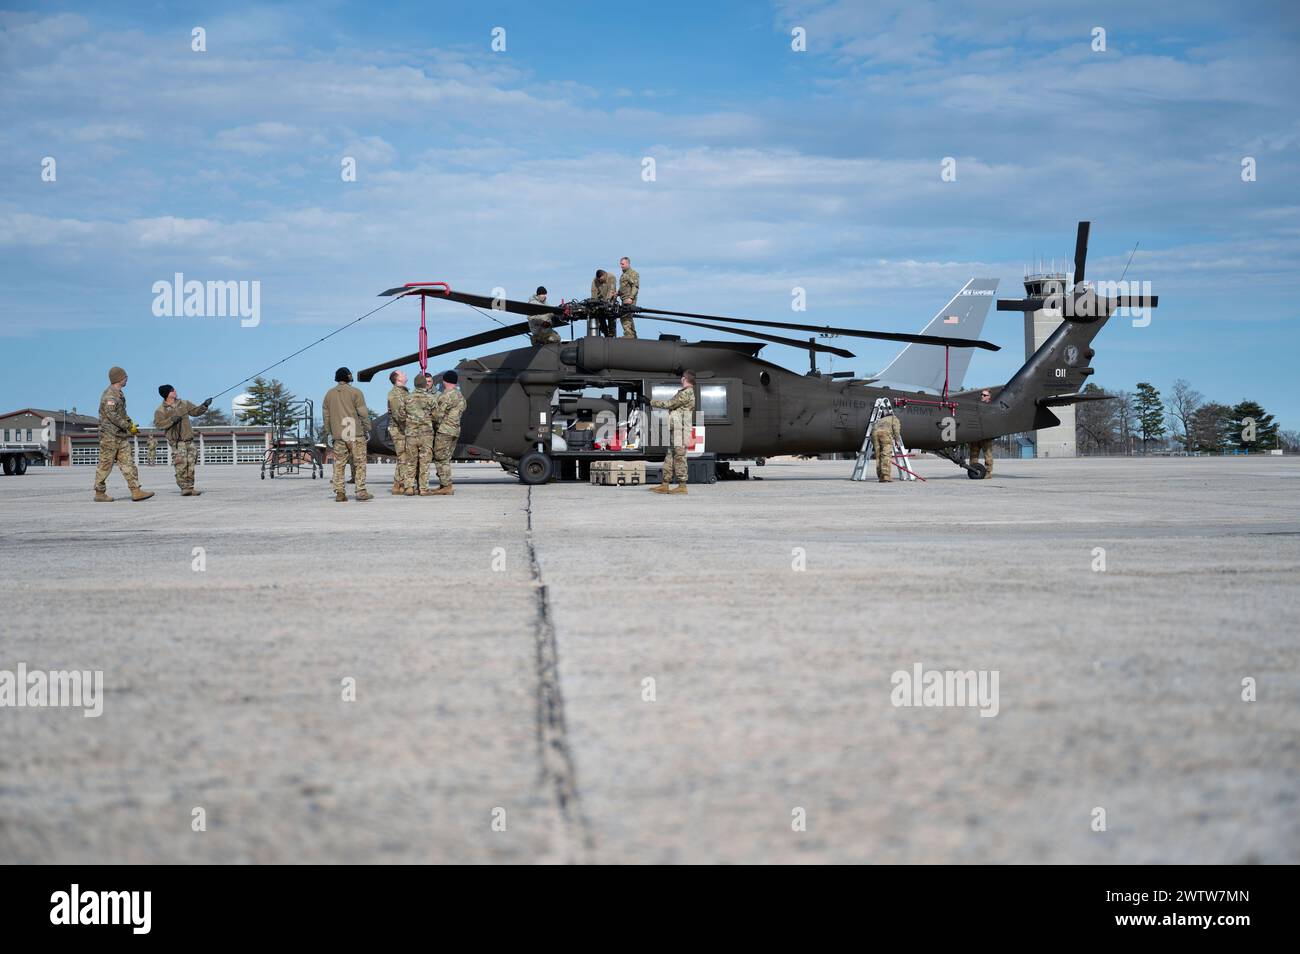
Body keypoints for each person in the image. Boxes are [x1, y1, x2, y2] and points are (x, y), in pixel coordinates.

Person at [93, 366, 153, 502]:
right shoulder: (109, 395)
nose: (127, 379)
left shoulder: (119, 394)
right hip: (109, 437)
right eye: (125, 377)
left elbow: (122, 414)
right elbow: (112, 416)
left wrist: (130, 424)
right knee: (105, 465)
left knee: (128, 464)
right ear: (119, 379)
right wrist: (127, 426)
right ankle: (99, 493)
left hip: (120, 436)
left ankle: (136, 491)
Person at [323, 367, 372, 502]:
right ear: (349, 377)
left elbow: (326, 416)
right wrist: (367, 428)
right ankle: (360, 491)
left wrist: (329, 432)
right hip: (354, 433)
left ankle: (339, 492)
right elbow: (363, 413)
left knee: (339, 464)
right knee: (359, 462)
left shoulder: (329, 394)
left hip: (338, 435)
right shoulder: (356, 392)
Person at [153, 385, 211, 496]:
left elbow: (195, 412)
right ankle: (184, 487)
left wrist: (204, 405)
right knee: (181, 465)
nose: (175, 391)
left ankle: (190, 487)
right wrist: (171, 420)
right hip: (177, 442)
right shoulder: (160, 410)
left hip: (189, 440)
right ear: (167, 394)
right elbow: (159, 425)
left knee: (191, 464)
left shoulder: (184, 404)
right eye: (172, 390)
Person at [649, 369, 696, 495]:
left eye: (682, 377)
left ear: (684, 379)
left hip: (680, 429)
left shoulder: (686, 393)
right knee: (670, 456)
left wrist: (651, 402)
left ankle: (682, 485)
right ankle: (665, 484)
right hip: (676, 428)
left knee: (679, 456)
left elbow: (670, 403)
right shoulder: (685, 392)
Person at [430, 369, 466, 495]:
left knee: (440, 458)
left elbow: (437, 415)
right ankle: (444, 485)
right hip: (455, 430)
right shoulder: (460, 396)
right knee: (446, 458)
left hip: (444, 430)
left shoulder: (445, 396)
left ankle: (446, 486)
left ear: (445, 381)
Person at [405, 372, 437, 495]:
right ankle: (423, 488)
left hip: (411, 434)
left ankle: (409, 487)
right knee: (425, 462)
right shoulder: (430, 398)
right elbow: (436, 416)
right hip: (426, 434)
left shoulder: (407, 398)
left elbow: (401, 414)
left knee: (411, 461)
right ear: (424, 384)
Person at [387, 370, 411, 495]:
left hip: (405, 429)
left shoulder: (404, 392)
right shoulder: (394, 394)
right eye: (402, 373)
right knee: (403, 457)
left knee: (403, 457)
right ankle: (404, 485)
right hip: (399, 430)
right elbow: (398, 416)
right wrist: (412, 425)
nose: (405, 374)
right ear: (397, 378)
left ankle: (397, 485)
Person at [872, 406, 902, 483]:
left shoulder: (880, 420)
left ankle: (880, 476)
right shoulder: (894, 418)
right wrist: (897, 441)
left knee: (878, 456)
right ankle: (885, 476)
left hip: (874, 434)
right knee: (886, 455)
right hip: (885, 434)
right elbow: (896, 430)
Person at [617, 257, 639, 338]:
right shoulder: (624, 275)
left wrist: (631, 298)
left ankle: (628, 335)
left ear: (628, 263)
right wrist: (617, 293)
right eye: (620, 264)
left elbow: (635, 286)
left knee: (625, 317)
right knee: (628, 316)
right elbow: (624, 287)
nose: (621, 265)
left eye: (623, 264)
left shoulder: (632, 273)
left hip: (629, 299)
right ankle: (632, 335)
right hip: (624, 299)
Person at [591, 268, 617, 337]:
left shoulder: (611, 277)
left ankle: (611, 333)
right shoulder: (595, 280)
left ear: (605, 275)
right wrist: (594, 302)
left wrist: (608, 300)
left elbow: (611, 290)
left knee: (611, 316)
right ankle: (605, 332)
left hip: (610, 301)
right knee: (600, 316)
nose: (600, 281)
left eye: (601, 279)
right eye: (599, 280)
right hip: (601, 302)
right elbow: (594, 292)